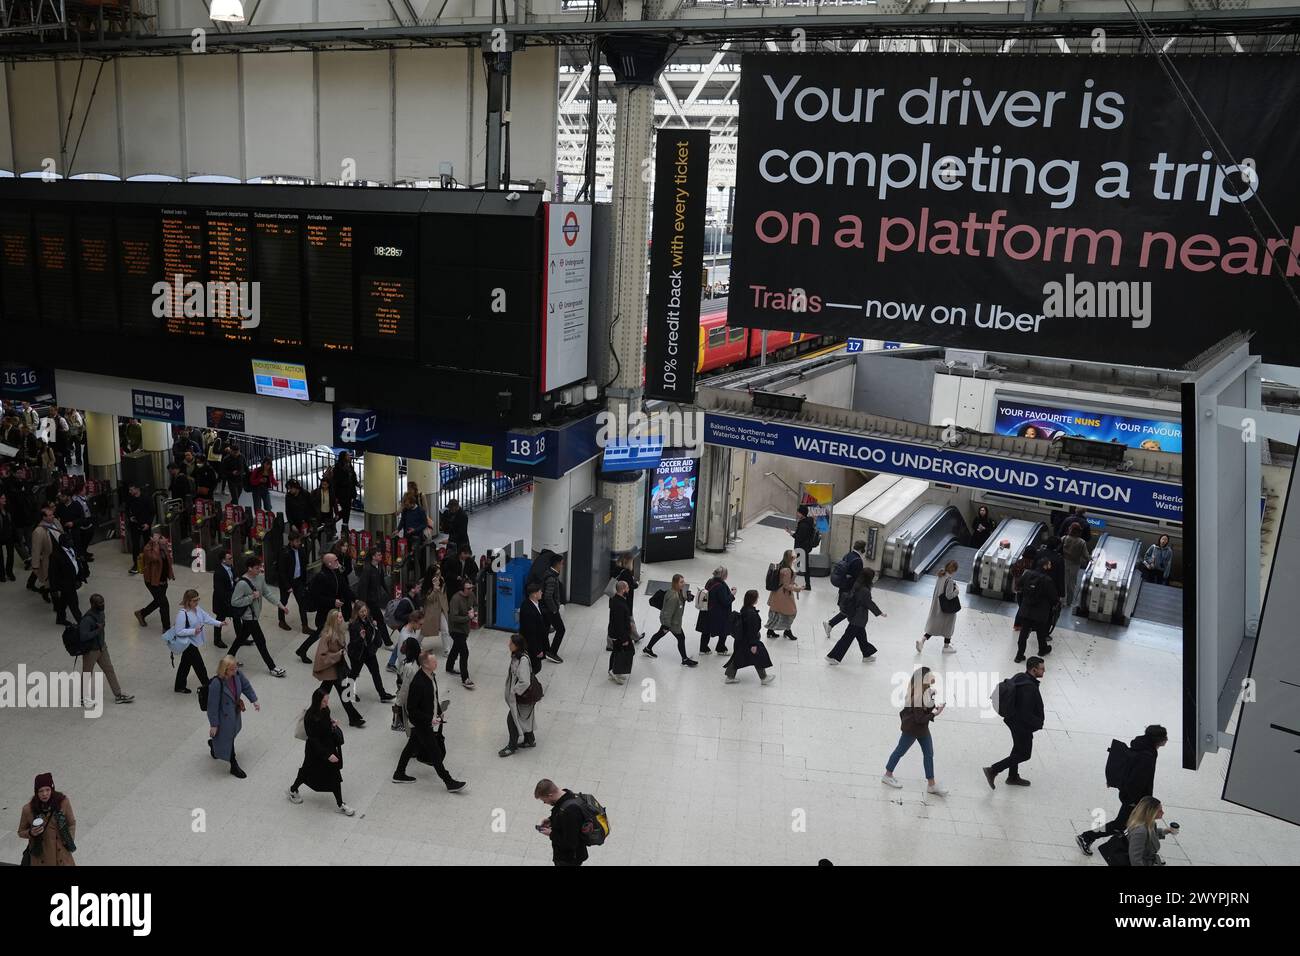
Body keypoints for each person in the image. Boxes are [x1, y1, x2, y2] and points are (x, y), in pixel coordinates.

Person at [1076, 724, 1169, 855]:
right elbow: (1137, 781)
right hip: (1135, 799)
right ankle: (1087, 837)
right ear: (1158, 739)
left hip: (1135, 797)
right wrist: (1135, 801)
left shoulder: (1142, 746)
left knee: (1135, 823)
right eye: (1165, 737)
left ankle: (1142, 848)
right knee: (1120, 825)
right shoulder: (1146, 756)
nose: (1166, 739)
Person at [392, 650, 467, 792]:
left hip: (425, 721)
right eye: (433, 661)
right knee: (435, 752)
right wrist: (429, 719)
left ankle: (399, 773)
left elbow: (434, 696)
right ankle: (449, 781)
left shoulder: (431, 676)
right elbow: (412, 709)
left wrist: (439, 711)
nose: (436, 663)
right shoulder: (418, 682)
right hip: (422, 724)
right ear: (425, 664)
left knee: (411, 746)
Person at [287, 687, 356, 816]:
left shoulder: (325, 710)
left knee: (334, 775)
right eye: (324, 701)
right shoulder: (310, 717)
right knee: (306, 771)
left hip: (328, 747)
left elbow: (325, 723)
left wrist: (332, 723)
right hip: (316, 752)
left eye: (327, 700)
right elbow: (313, 740)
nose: (326, 703)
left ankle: (340, 803)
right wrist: (327, 755)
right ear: (318, 701)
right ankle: (293, 789)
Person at [881, 666, 948, 795]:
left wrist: (933, 701)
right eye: (930, 675)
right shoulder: (917, 696)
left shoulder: (926, 691)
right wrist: (936, 713)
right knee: (900, 751)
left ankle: (931, 785)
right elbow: (920, 718)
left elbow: (927, 710)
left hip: (922, 729)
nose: (933, 676)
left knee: (929, 754)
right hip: (912, 729)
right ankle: (887, 775)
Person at [983, 657, 1046, 789]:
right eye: (1042, 668)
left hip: (1012, 720)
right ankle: (993, 770)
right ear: (1034, 670)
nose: (1044, 671)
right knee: (1024, 754)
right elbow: (1025, 712)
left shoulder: (1021, 677)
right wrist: (1038, 723)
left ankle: (1012, 777)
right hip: (1021, 725)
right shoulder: (1029, 687)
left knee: (1018, 748)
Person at [227, 555, 289, 678]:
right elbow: (234, 602)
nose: (260, 570)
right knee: (261, 641)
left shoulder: (260, 578)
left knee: (240, 639)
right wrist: (251, 597)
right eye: (257, 568)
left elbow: (267, 593)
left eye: (260, 567)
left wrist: (280, 605)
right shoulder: (242, 584)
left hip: (255, 615)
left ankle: (227, 661)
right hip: (249, 617)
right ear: (249, 568)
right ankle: (272, 667)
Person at [207, 655, 260, 779]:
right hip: (223, 717)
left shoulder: (237, 675)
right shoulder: (216, 683)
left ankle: (214, 746)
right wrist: (214, 724)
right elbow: (212, 706)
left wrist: (254, 700)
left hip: (233, 712)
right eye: (232, 669)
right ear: (224, 669)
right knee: (229, 738)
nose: (235, 671)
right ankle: (233, 764)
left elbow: (246, 686)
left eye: (236, 668)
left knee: (230, 735)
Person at [312, 608, 366, 727]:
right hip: (332, 669)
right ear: (333, 620)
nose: (342, 619)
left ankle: (314, 709)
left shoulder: (339, 632)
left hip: (338, 668)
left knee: (325, 691)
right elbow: (322, 656)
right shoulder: (327, 636)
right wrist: (338, 654)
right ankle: (354, 718)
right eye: (339, 617)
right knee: (342, 693)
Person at [296, 551, 354, 662]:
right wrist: (333, 602)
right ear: (329, 564)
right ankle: (305, 650)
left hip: (333, 610)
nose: (338, 562)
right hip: (325, 611)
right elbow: (316, 596)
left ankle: (305, 650)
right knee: (322, 632)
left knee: (327, 632)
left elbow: (345, 588)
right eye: (335, 560)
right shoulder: (321, 577)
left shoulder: (336, 573)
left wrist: (354, 599)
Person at [78, 593, 134, 704]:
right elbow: (83, 636)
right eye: (100, 603)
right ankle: (83, 698)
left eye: (103, 602)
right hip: (91, 652)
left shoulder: (101, 613)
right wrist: (98, 630)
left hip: (102, 648)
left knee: (109, 670)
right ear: (93, 604)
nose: (103, 604)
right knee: (87, 673)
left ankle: (118, 694)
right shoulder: (87, 619)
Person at [171, 588, 227, 695]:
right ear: (188, 601)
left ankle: (179, 686)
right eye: (194, 600)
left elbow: (207, 618)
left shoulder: (197, 609)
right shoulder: (182, 614)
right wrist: (193, 631)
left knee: (185, 664)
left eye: (198, 600)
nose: (197, 602)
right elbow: (178, 631)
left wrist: (219, 623)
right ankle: (207, 686)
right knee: (199, 665)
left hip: (193, 641)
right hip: (188, 643)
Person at [826, 569, 885, 664]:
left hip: (853, 616)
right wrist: (880, 612)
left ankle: (866, 655)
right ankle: (832, 656)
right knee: (846, 639)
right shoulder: (865, 590)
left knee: (862, 637)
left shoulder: (857, 585)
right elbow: (869, 603)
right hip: (859, 619)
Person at [18, 773, 76, 866]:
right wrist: (31, 833)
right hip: (41, 857)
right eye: (41, 791)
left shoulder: (63, 803)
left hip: (61, 856)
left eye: (47, 790)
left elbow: (71, 823)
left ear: (52, 789)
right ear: (36, 792)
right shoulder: (28, 810)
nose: (44, 794)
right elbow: (21, 832)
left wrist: (69, 839)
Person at [645, 573, 698, 666]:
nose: (684, 583)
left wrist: (687, 598)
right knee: (681, 638)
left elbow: (680, 600)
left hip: (672, 621)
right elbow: (667, 612)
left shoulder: (675, 591)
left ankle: (647, 649)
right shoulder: (673, 597)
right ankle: (684, 659)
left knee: (660, 634)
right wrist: (666, 625)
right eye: (681, 582)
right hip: (672, 623)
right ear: (675, 583)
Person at [534, 778, 589, 867]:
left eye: (544, 800)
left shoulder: (570, 812)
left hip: (569, 859)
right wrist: (551, 820)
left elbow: (571, 843)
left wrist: (551, 833)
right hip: (568, 856)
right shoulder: (566, 795)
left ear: (550, 795)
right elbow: (562, 816)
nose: (544, 803)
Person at [725, 589, 774, 684]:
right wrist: (753, 644)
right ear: (753, 599)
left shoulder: (745, 609)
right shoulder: (751, 613)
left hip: (742, 640)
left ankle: (730, 676)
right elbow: (751, 630)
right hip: (749, 641)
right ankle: (764, 678)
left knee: (739, 656)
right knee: (757, 656)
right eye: (757, 597)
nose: (758, 599)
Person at [500, 633, 538, 755]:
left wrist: (514, 691)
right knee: (522, 718)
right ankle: (529, 739)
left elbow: (525, 681)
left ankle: (512, 746)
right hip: (520, 698)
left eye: (511, 643)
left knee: (512, 720)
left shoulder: (523, 660)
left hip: (520, 697)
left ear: (517, 645)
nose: (508, 645)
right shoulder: (516, 656)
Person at [347, 600, 393, 702]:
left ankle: (382, 694)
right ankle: (349, 692)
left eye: (365, 611)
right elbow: (354, 643)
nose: (364, 614)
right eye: (361, 612)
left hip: (369, 652)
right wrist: (360, 637)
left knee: (376, 672)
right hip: (357, 654)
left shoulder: (369, 621)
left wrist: (375, 627)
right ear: (357, 612)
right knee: (354, 673)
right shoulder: (354, 625)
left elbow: (373, 637)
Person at [1014, 559, 1058, 663]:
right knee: (1041, 631)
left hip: (1026, 608)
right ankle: (1042, 650)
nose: (1050, 565)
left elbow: (1019, 584)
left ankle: (1019, 655)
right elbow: (1053, 597)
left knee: (1024, 632)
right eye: (1049, 564)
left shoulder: (1028, 574)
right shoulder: (1047, 580)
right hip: (1040, 611)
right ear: (1045, 566)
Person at [823, 539, 865, 639]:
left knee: (849, 610)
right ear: (862, 549)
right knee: (849, 611)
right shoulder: (858, 561)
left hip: (843, 586)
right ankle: (831, 624)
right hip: (850, 589)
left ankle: (831, 624)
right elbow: (858, 578)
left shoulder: (848, 555)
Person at [47, 521, 87, 627]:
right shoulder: (55, 556)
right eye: (69, 540)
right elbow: (52, 573)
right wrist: (54, 588)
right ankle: (81, 623)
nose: (71, 542)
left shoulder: (72, 549)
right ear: (63, 543)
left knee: (63, 601)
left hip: (73, 580)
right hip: (65, 583)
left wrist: (80, 576)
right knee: (74, 603)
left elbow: (76, 562)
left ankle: (60, 618)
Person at [134, 529, 174, 632]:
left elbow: (168, 562)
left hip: (163, 581)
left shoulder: (163, 547)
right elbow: (155, 558)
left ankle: (141, 613)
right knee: (164, 604)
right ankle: (166, 628)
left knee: (158, 602)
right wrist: (156, 544)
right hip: (152, 582)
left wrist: (170, 574)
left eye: (161, 537)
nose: (162, 539)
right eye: (158, 537)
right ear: (152, 539)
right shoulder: (148, 548)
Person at [918, 560, 961, 654]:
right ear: (953, 570)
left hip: (937, 605)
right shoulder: (949, 580)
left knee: (934, 626)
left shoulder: (941, 575)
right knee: (949, 625)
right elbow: (949, 596)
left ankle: (922, 641)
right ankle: (946, 646)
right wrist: (957, 591)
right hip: (946, 608)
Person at [356, 549, 393, 646]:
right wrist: (363, 603)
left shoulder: (379, 566)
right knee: (380, 620)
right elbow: (363, 587)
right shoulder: (367, 569)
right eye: (379, 554)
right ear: (373, 556)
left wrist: (388, 593)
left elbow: (382, 581)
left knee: (369, 620)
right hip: (370, 600)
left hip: (375, 598)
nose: (381, 556)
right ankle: (388, 642)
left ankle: (368, 639)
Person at [277, 531, 311, 634]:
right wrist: (287, 586)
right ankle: (281, 621)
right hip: (286, 582)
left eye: (299, 541)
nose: (299, 543)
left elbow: (304, 566)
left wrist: (304, 582)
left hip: (298, 581)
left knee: (302, 603)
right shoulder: (284, 552)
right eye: (296, 541)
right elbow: (281, 572)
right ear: (291, 542)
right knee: (283, 602)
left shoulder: (301, 550)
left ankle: (305, 626)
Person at [765, 549, 803, 641]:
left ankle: (771, 631)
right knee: (791, 612)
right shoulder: (787, 570)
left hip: (777, 594)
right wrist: (797, 588)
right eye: (793, 556)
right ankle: (787, 630)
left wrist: (794, 584)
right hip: (784, 595)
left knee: (776, 612)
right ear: (790, 558)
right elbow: (786, 585)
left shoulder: (782, 566)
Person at [446, 578, 476, 689]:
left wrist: (474, 611)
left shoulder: (471, 595)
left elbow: (476, 604)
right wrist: (468, 617)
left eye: (471, 587)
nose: (470, 590)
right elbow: (453, 618)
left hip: (465, 629)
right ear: (463, 588)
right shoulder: (455, 599)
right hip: (455, 629)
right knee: (464, 651)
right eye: (468, 588)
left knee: (456, 647)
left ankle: (449, 666)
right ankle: (465, 678)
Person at [1126, 797, 1171, 866]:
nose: (1163, 812)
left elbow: (1150, 837)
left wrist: (1164, 831)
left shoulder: (1149, 823)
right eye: (1159, 811)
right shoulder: (1140, 832)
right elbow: (1135, 859)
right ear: (1151, 812)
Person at [700, 566, 735, 655]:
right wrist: (732, 594)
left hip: (708, 610)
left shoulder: (710, 581)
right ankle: (721, 648)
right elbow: (725, 601)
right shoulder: (720, 586)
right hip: (719, 613)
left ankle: (703, 648)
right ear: (723, 575)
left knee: (706, 630)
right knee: (724, 630)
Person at [397, 490, 432, 574]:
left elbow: (424, 524)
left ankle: (420, 575)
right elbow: (402, 521)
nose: (406, 506)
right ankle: (409, 574)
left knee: (418, 558)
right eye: (405, 504)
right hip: (407, 537)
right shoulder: (405, 510)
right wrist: (398, 529)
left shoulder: (420, 511)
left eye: (408, 504)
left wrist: (415, 530)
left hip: (417, 538)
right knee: (407, 557)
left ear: (412, 503)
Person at [608, 580, 635, 684]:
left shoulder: (618, 599)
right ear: (623, 589)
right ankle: (616, 672)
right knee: (624, 652)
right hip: (619, 635)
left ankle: (612, 670)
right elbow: (619, 624)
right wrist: (624, 639)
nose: (629, 589)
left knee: (616, 651)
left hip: (617, 633)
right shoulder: (619, 604)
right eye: (627, 587)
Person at [541, 552, 567, 664]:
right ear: (558, 564)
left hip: (544, 609)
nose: (562, 565)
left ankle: (545, 650)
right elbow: (548, 596)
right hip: (550, 610)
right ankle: (552, 652)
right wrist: (554, 609)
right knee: (561, 630)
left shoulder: (547, 573)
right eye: (562, 563)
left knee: (545, 629)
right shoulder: (552, 578)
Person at [520, 579, 548, 676]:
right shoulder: (529, 611)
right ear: (534, 594)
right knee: (535, 667)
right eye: (540, 591)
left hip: (534, 644)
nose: (542, 592)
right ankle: (527, 685)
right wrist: (537, 650)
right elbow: (531, 633)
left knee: (534, 667)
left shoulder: (533, 603)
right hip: (532, 647)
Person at [1061, 523, 1091, 609]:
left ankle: (1062, 600)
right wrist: (1091, 560)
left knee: (1063, 582)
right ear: (1079, 531)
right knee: (1072, 584)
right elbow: (1086, 555)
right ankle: (1069, 602)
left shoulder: (1064, 538)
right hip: (1075, 565)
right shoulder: (1082, 542)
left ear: (1070, 529)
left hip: (1064, 562)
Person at [123, 484, 152, 573]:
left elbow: (152, 512)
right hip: (134, 525)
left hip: (145, 525)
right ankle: (136, 565)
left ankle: (149, 563)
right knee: (135, 545)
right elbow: (127, 510)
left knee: (147, 544)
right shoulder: (130, 500)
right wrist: (130, 516)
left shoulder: (146, 499)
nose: (130, 492)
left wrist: (148, 523)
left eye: (131, 489)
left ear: (137, 489)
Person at [209, 549, 235, 649]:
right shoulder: (219, 572)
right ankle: (217, 640)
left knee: (237, 617)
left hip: (232, 598)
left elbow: (234, 580)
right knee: (220, 619)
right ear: (223, 560)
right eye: (230, 558)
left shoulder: (231, 567)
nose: (232, 559)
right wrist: (227, 600)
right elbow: (219, 590)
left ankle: (241, 637)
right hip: (222, 601)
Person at [789, 504, 817, 590]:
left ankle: (792, 583)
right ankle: (805, 584)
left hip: (801, 548)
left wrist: (791, 533)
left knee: (796, 566)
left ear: (802, 514)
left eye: (798, 512)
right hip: (804, 548)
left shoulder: (804, 525)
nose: (797, 514)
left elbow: (799, 537)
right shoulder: (807, 522)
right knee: (798, 566)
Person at [615, 553, 642, 639]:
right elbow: (630, 586)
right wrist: (637, 584)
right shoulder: (627, 573)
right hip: (626, 600)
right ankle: (635, 636)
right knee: (630, 618)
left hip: (617, 598)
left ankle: (634, 636)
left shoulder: (618, 569)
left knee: (616, 619)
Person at [332, 451, 358, 531]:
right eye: (347, 455)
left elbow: (353, 476)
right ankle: (335, 522)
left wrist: (356, 483)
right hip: (342, 493)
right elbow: (336, 481)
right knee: (346, 509)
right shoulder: (338, 467)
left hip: (350, 492)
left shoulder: (349, 465)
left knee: (347, 509)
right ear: (343, 457)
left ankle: (344, 526)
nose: (349, 456)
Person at [0, 492, 17, 583]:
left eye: (4, 498)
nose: (4, 500)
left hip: (9, 535)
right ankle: (1, 574)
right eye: (2, 498)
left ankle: (9, 572)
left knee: (11, 555)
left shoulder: (8, 509)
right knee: (0, 557)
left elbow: (12, 522)